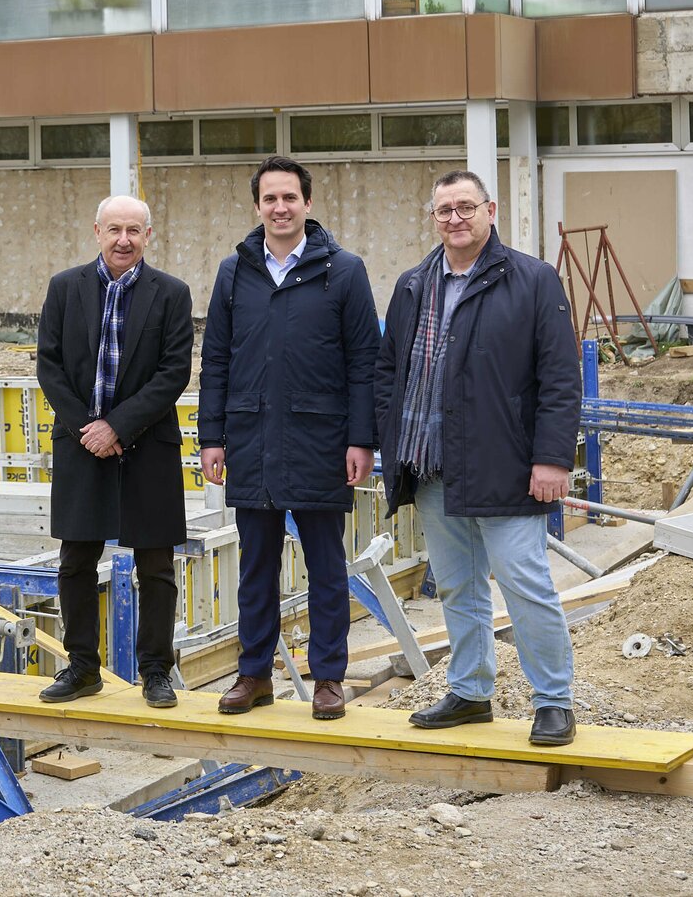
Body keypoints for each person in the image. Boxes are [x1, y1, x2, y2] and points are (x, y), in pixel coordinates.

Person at [372, 170, 582, 746]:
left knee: (524, 581)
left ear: (490, 210)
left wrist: (552, 458)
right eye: (445, 211)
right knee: (459, 587)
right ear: (433, 217)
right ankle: (469, 691)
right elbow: (389, 369)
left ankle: (554, 700)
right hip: (433, 462)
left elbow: (561, 377)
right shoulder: (415, 283)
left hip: (507, 463)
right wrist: (390, 442)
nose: (455, 219)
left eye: (466, 207)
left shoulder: (533, 280)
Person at [199, 156, 378, 722]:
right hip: (251, 438)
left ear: (308, 204)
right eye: (270, 199)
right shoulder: (235, 272)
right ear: (258, 207)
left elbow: (363, 364)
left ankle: (328, 678)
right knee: (256, 565)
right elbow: (217, 361)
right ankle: (253, 673)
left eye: (290, 198)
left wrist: (361, 439)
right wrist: (212, 437)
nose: (280, 208)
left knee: (326, 564)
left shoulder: (343, 271)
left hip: (319, 440)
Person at [35, 195, 195, 707]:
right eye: (114, 230)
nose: (123, 240)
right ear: (96, 232)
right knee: (76, 560)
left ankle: (155, 671)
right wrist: (90, 427)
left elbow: (173, 371)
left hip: (147, 442)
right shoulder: (65, 289)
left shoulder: (171, 293)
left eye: (133, 230)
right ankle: (82, 667)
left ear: (149, 235)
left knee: (156, 565)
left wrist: (118, 428)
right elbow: (49, 365)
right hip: (81, 443)